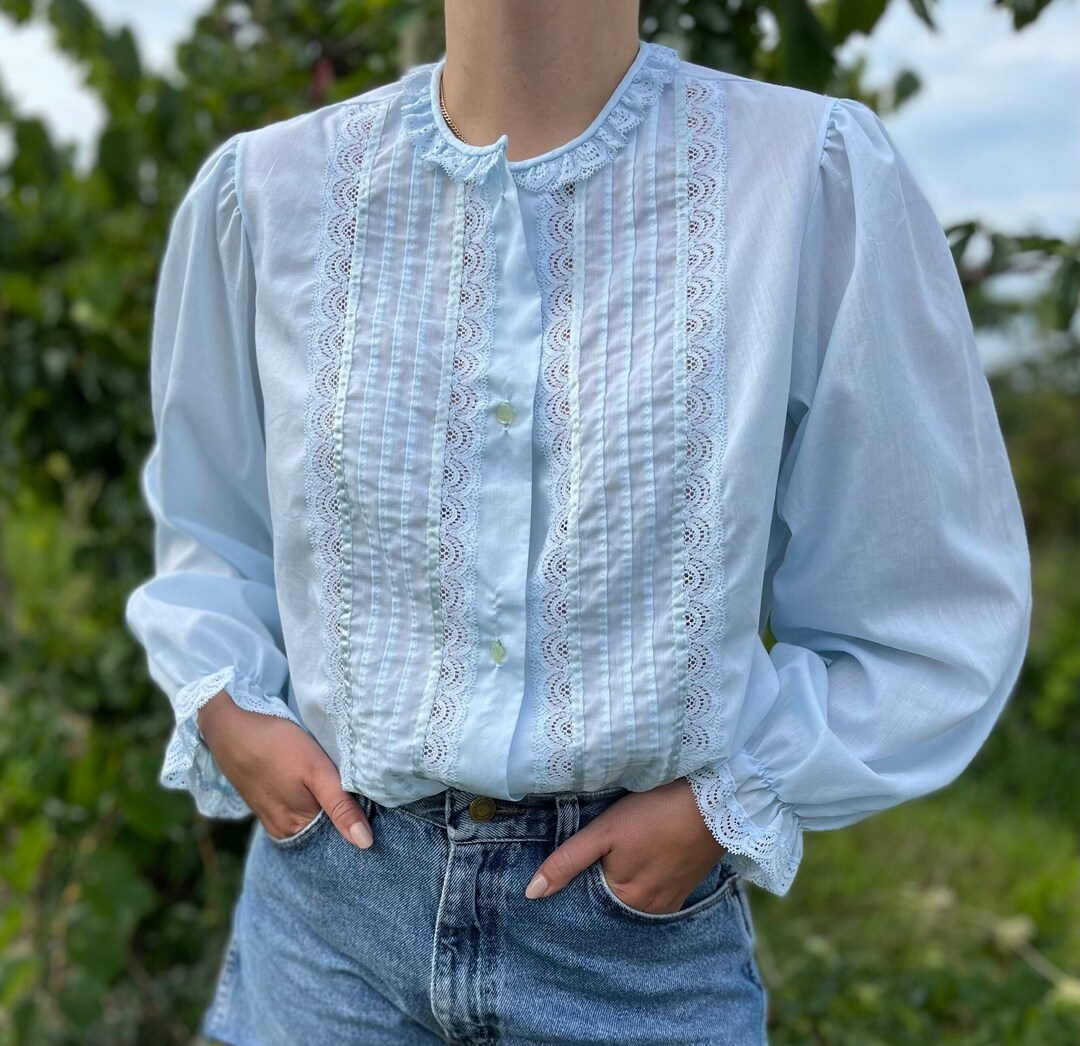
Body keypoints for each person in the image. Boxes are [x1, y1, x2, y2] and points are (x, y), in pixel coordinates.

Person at [123, 1, 1032, 1043]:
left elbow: (931, 604)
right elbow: (210, 524)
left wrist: (730, 800)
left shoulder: (801, 174)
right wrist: (225, 699)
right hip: (328, 923)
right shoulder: (271, 189)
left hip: (627, 948)